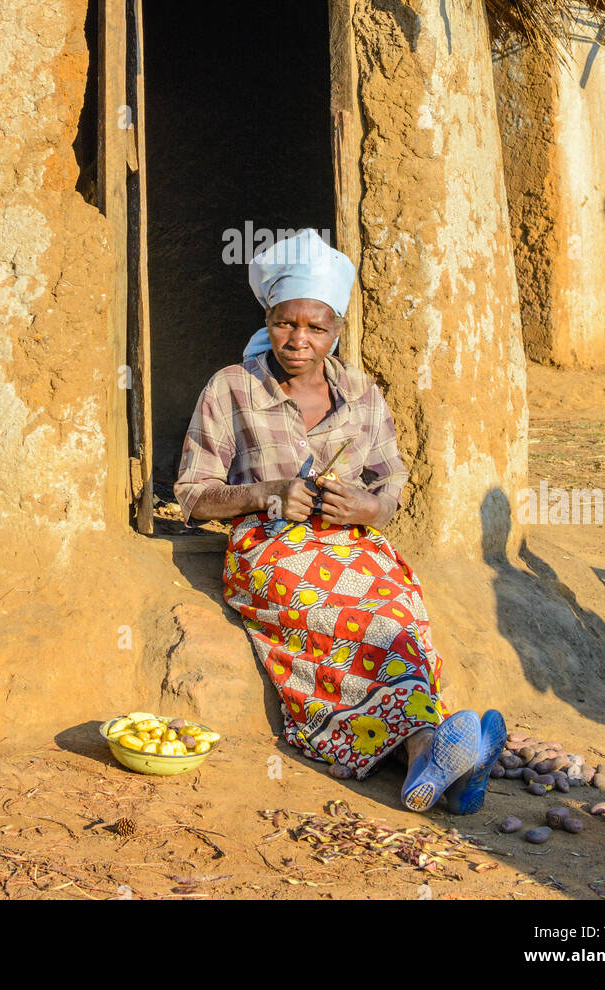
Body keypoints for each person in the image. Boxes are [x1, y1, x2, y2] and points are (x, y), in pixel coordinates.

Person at [174, 228, 505, 812]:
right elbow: (193, 496)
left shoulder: (360, 392)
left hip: (355, 544)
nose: (298, 339)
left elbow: (391, 483)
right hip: (274, 550)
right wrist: (268, 494)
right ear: (268, 317)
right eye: (285, 322)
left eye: (316, 327)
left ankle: (427, 757)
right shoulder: (230, 388)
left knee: (397, 614)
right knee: (332, 616)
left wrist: (369, 508)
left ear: (337, 330)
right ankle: (438, 752)